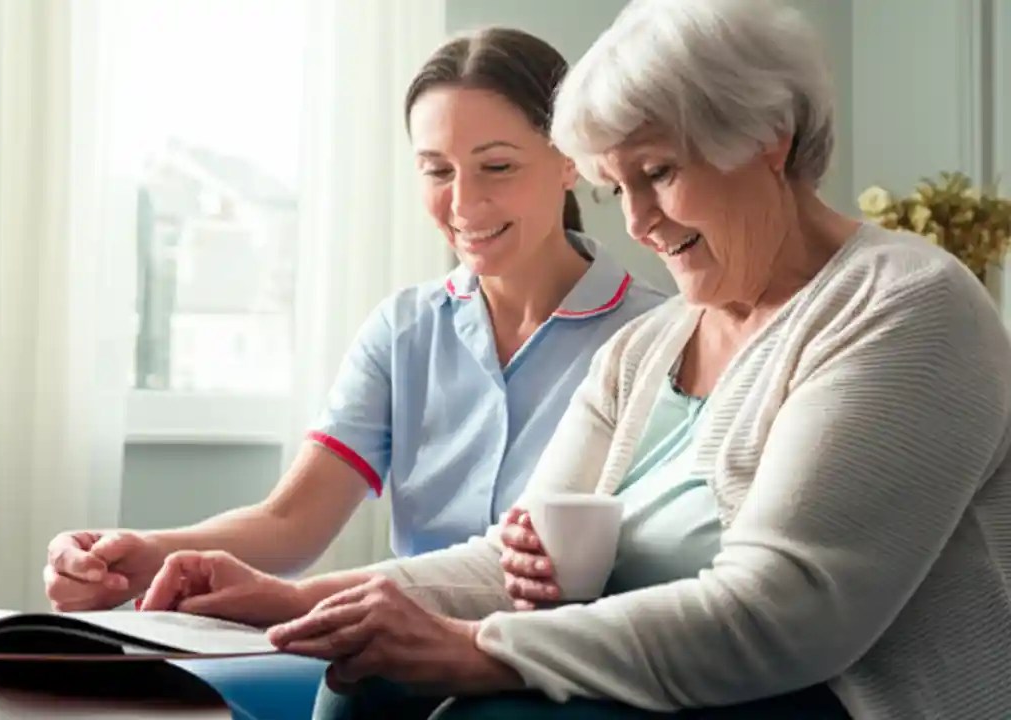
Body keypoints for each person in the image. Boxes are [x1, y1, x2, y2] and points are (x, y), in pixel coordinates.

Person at [132, 0, 1011, 718]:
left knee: (496, 716)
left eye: (660, 172)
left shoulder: (904, 307)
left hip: (826, 697)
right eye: (616, 186)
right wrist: (296, 600)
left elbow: (781, 615)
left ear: (766, 137)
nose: (637, 223)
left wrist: (479, 651)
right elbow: (501, 563)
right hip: (669, 678)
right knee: (366, 678)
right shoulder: (649, 346)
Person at [43, 27, 665, 614]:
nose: (462, 202)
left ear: (571, 162)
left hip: (550, 665)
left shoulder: (655, 338)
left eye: (497, 167)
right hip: (394, 655)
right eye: (437, 169)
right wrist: (134, 555)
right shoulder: (405, 331)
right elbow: (291, 522)